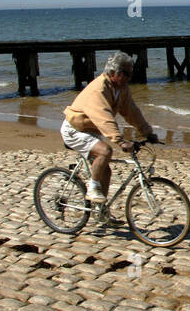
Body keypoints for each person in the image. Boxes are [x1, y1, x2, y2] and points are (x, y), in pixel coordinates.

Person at [61, 51, 158, 214]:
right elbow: (103, 116)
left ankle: (101, 211)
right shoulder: (98, 90)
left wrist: (147, 132)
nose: (129, 77)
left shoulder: (122, 89)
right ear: (113, 73)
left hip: (91, 130)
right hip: (74, 129)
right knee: (106, 151)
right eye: (125, 74)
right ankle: (92, 188)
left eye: (130, 73)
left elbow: (132, 112)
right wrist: (120, 141)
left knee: (106, 169)